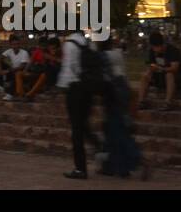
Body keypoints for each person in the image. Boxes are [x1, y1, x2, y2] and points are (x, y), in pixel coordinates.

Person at [59, 28, 107, 180]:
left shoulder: (69, 44)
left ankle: (80, 168)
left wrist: (61, 86)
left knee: (77, 130)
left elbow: (68, 68)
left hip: (75, 89)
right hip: (89, 88)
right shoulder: (88, 43)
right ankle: (100, 146)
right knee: (83, 124)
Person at [98, 36, 146, 178]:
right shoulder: (118, 53)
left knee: (116, 131)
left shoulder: (102, 57)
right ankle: (116, 166)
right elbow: (123, 74)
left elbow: (104, 77)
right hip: (123, 89)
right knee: (115, 129)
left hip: (112, 92)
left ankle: (137, 161)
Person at [138, 32, 181, 110]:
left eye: (156, 47)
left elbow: (174, 68)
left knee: (169, 74)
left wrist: (160, 69)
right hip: (160, 76)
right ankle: (141, 101)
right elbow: (151, 64)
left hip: (178, 78)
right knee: (145, 75)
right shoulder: (152, 51)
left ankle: (168, 103)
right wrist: (150, 70)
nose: (154, 49)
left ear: (161, 44)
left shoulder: (172, 51)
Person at [0, 35, 31, 101]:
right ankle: (0, 85)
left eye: (17, 44)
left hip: (22, 71)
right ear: (10, 45)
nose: (16, 46)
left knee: (15, 73)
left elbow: (22, 66)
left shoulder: (24, 52)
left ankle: (10, 94)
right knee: (1, 64)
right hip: (13, 70)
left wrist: (8, 70)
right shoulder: (9, 51)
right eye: (13, 44)